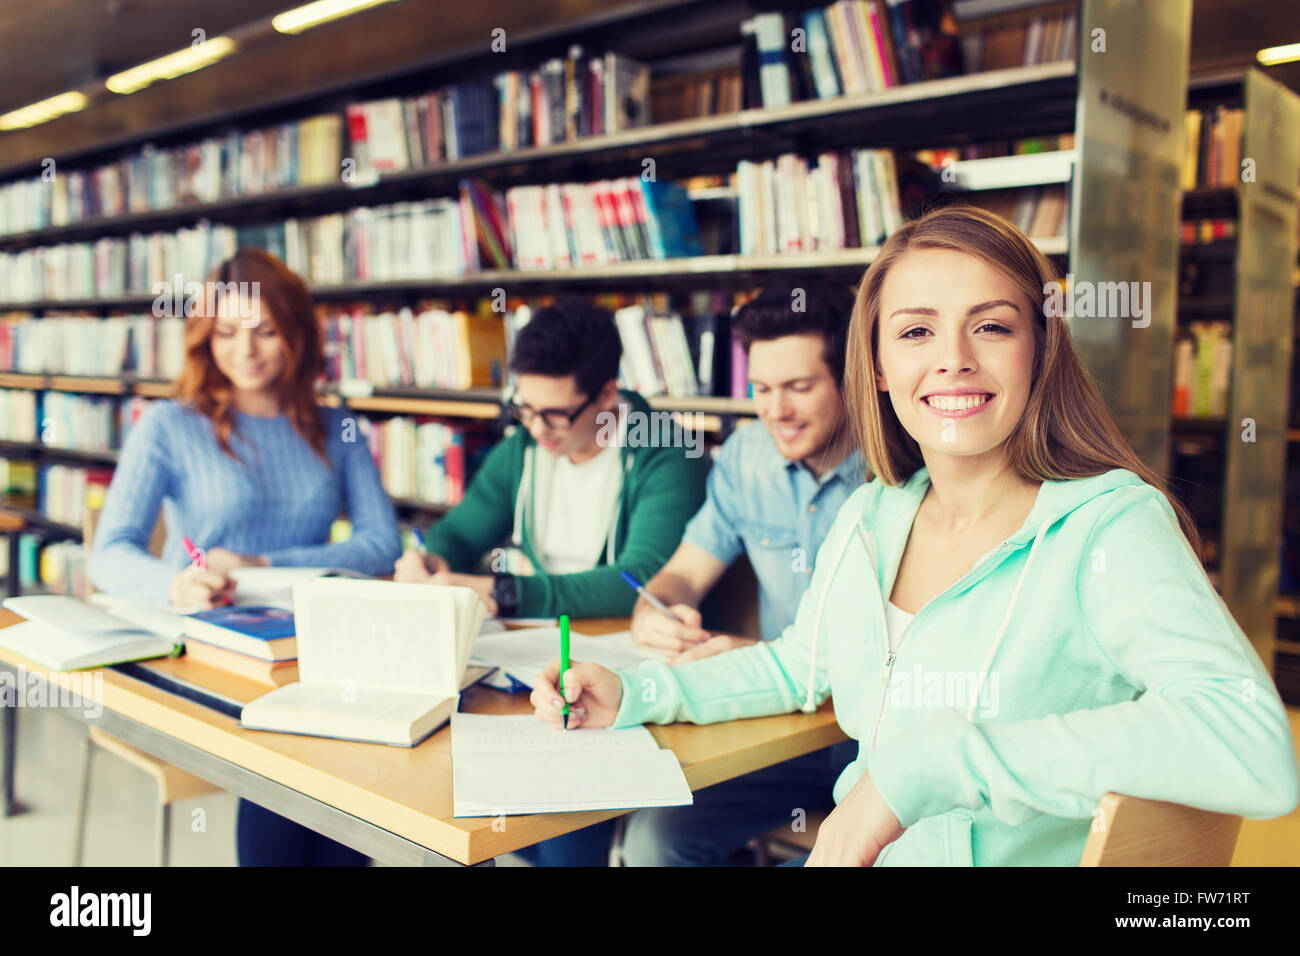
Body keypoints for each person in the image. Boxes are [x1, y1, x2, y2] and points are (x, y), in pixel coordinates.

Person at [530, 205, 1300, 866]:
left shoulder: (1107, 525)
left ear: (1041, 348)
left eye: (991, 326)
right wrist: (637, 691)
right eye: (916, 331)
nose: (953, 361)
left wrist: (930, 764)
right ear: (878, 365)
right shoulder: (876, 513)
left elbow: (1251, 743)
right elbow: (801, 668)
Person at [90, 248, 403, 866]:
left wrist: (264, 564)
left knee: (360, 788)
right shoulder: (170, 426)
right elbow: (109, 554)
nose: (246, 350)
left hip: (316, 646)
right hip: (213, 652)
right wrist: (175, 585)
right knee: (291, 762)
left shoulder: (337, 427)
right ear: (206, 338)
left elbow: (381, 544)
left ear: (297, 334)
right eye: (227, 332)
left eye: (265, 331)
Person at [613, 280, 863, 866]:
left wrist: (752, 653)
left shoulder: (903, 472)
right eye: (762, 388)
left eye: (799, 387)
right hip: (778, 735)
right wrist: (656, 609)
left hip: (872, 742)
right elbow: (683, 574)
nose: (776, 410)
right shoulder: (747, 457)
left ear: (853, 378)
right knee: (656, 841)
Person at [393, 297, 708, 620]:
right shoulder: (524, 447)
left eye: (556, 414)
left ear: (606, 395)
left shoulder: (669, 456)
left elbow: (640, 581)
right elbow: (459, 532)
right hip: (546, 637)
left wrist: (509, 593)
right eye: (526, 409)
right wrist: (434, 559)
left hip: (630, 642)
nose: (537, 428)